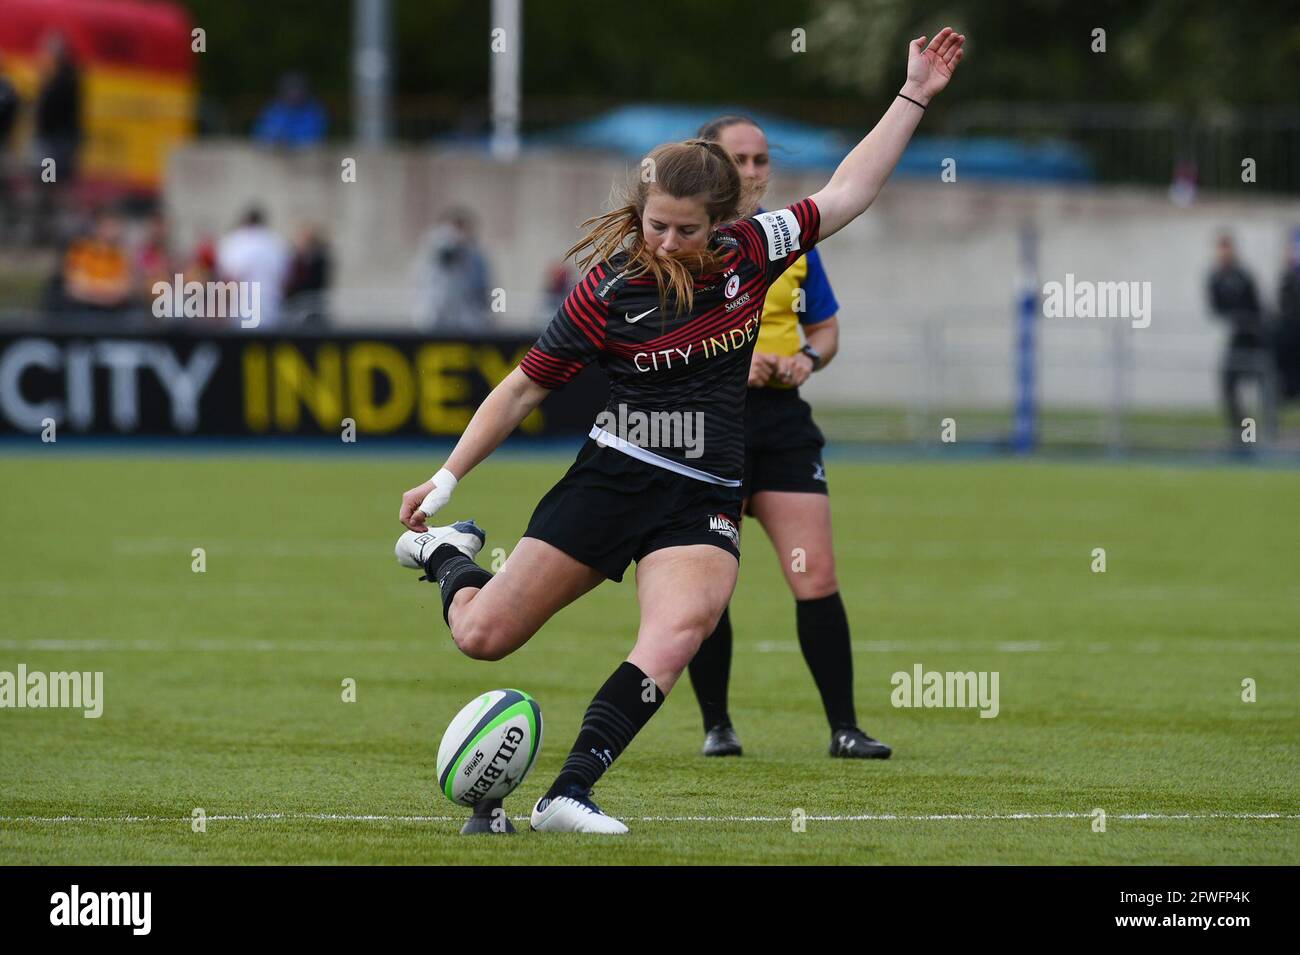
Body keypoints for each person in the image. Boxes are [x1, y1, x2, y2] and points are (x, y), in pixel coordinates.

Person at [393, 29, 965, 833]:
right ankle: (448, 552)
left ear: (720, 221)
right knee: (484, 636)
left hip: (702, 491)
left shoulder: (752, 249)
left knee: (680, 627)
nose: (665, 243)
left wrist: (913, 95)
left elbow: (848, 192)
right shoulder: (608, 289)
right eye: (654, 225)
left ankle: (569, 793)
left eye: (684, 231)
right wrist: (445, 482)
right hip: (613, 476)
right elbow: (521, 390)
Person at [685, 114, 890, 760]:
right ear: (708, 166)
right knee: (708, 585)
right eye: (739, 160)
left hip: (782, 423)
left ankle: (844, 728)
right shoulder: (682, 239)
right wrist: (728, 358)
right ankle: (716, 724)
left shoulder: (790, 238)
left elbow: (826, 331)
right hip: (712, 425)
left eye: (761, 160)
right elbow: (656, 338)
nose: (753, 172)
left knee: (817, 573)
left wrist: (806, 356)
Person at [1206, 233, 1267, 432]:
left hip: (1253, 340)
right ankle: (1241, 433)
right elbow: (1216, 308)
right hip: (1235, 340)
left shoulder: (1243, 276)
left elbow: (1256, 306)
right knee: (1228, 385)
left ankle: (1263, 433)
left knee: (1265, 385)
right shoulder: (1216, 278)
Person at [412, 208, 493, 333]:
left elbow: (493, 290)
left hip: (469, 325)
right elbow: (444, 249)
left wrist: (496, 313)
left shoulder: (478, 258)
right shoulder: (436, 250)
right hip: (436, 322)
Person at [216, 207, 291, 328]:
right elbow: (285, 281)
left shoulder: (234, 241)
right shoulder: (277, 243)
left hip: (242, 313)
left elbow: (228, 280)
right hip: (273, 311)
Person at [253, 73, 327, 148]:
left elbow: (316, 137)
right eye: (290, 88)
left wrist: (290, 142)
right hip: (274, 154)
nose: (294, 93)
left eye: (297, 88)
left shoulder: (314, 111)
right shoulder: (273, 110)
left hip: (305, 154)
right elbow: (261, 133)